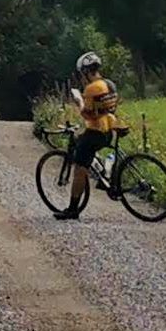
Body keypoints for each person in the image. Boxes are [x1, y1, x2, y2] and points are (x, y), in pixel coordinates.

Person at [56, 51, 121, 219]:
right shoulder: (110, 84)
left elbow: (87, 114)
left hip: (96, 132)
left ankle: (72, 210)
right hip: (109, 129)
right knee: (84, 144)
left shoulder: (92, 89)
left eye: (81, 74)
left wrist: (79, 102)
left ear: (85, 72)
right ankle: (103, 173)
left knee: (79, 168)